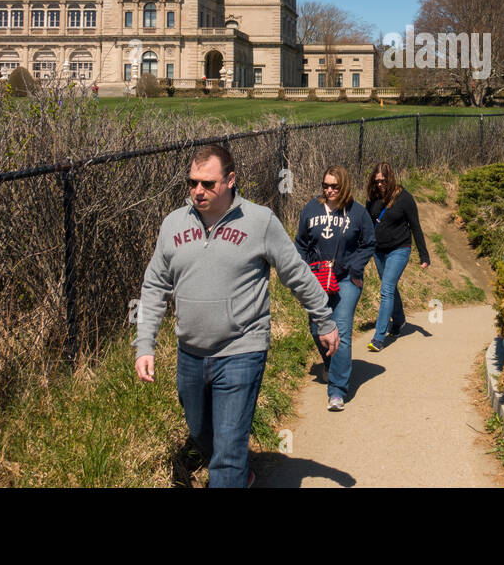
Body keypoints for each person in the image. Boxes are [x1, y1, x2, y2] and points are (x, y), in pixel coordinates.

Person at [134, 144, 341, 488]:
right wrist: (145, 344)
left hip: (242, 350)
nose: (198, 191)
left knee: (228, 451)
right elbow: (154, 284)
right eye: (192, 182)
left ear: (230, 180)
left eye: (207, 183)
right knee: (203, 434)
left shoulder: (259, 222)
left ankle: (232, 472)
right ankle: (239, 471)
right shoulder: (173, 224)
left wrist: (324, 319)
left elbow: (297, 273)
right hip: (190, 354)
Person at [295, 165, 376, 412]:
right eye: (326, 185)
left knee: (340, 327)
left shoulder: (358, 212)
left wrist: (354, 269)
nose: (329, 190)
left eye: (334, 186)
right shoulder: (311, 209)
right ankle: (331, 363)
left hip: (345, 280)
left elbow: (369, 243)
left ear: (344, 187)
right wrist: (305, 270)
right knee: (316, 326)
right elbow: (300, 243)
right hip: (316, 278)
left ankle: (337, 390)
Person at [364, 161, 430, 352]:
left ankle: (378, 337)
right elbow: (368, 225)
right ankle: (399, 320)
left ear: (390, 178)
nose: (379, 184)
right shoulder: (372, 198)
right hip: (379, 250)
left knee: (386, 289)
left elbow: (416, 227)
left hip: (399, 249)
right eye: (376, 181)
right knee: (390, 287)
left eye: (383, 181)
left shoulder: (404, 198)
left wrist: (424, 255)